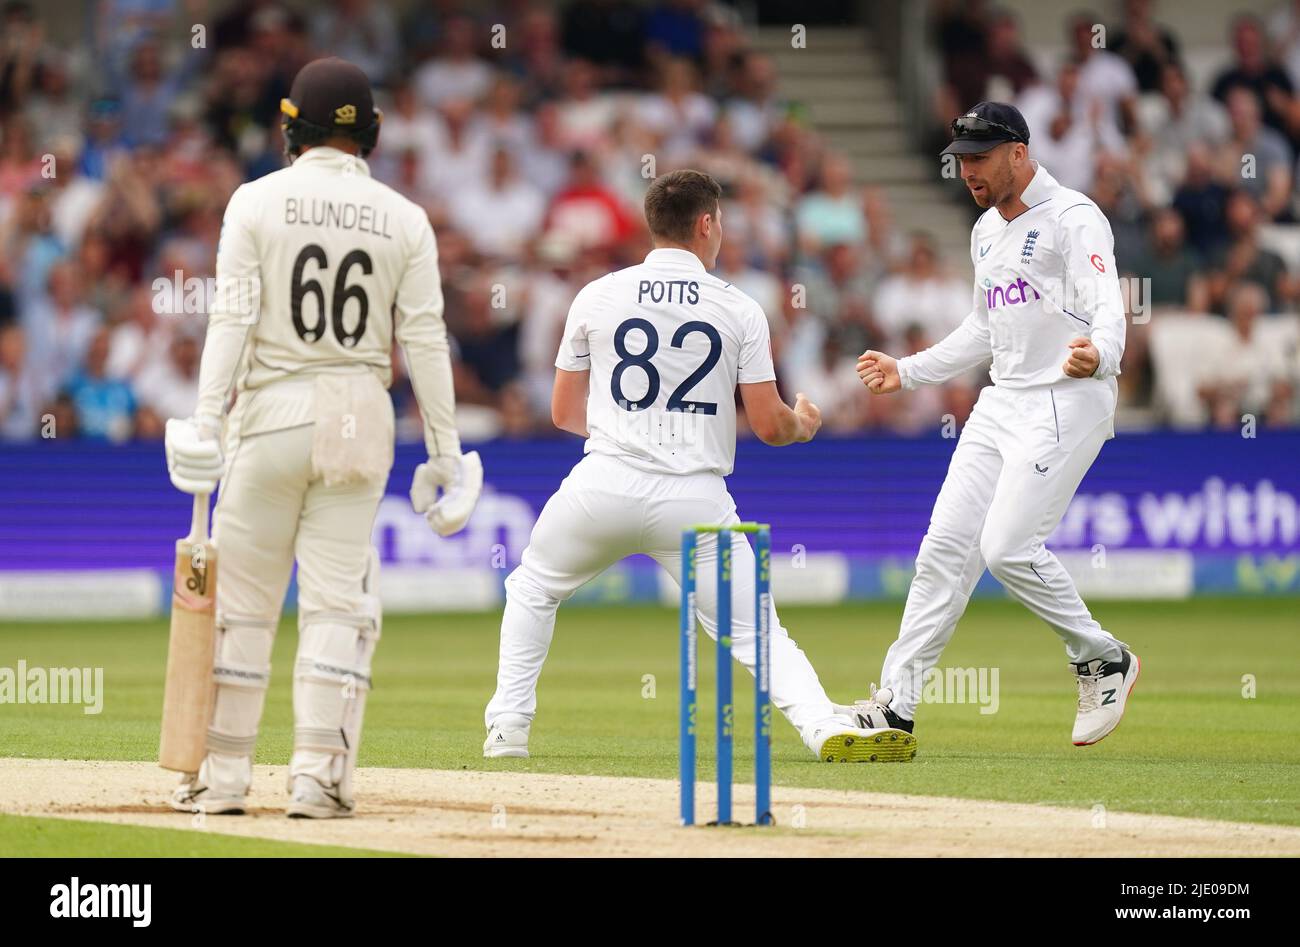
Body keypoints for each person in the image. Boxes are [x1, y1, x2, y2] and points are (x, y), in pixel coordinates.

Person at [483, 169, 914, 763]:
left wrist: (622, 431)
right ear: (707, 223)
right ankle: (822, 728)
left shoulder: (597, 294)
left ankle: (508, 728)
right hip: (693, 497)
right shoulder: (740, 307)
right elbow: (768, 425)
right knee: (755, 630)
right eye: (722, 224)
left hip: (602, 482)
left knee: (531, 587)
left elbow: (562, 413)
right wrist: (805, 424)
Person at [162, 58, 482, 819]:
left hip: (271, 409)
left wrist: (207, 418)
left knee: (241, 606)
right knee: (339, 605)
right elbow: (426, 340)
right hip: (358, 416)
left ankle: (222, 779)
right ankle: (317, 777)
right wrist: (446, 452)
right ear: (370, 134)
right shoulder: (405, 218)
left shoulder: (254, 202)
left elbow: (233, 318)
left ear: (289, 128)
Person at [854, 103, 1139, 747]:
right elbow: (982, 330)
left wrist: (1102, 354)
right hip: (1001, 402)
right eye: (960, 159)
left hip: (1068, 398)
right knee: (942, 551)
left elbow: (1107, 306)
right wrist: (909, 370)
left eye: (979, 157)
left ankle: (1101, 658)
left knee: (1007, 549)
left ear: (1018, 152)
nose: (967, 170)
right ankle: (895, 706)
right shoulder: (985, 230)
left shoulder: (1074, 217)